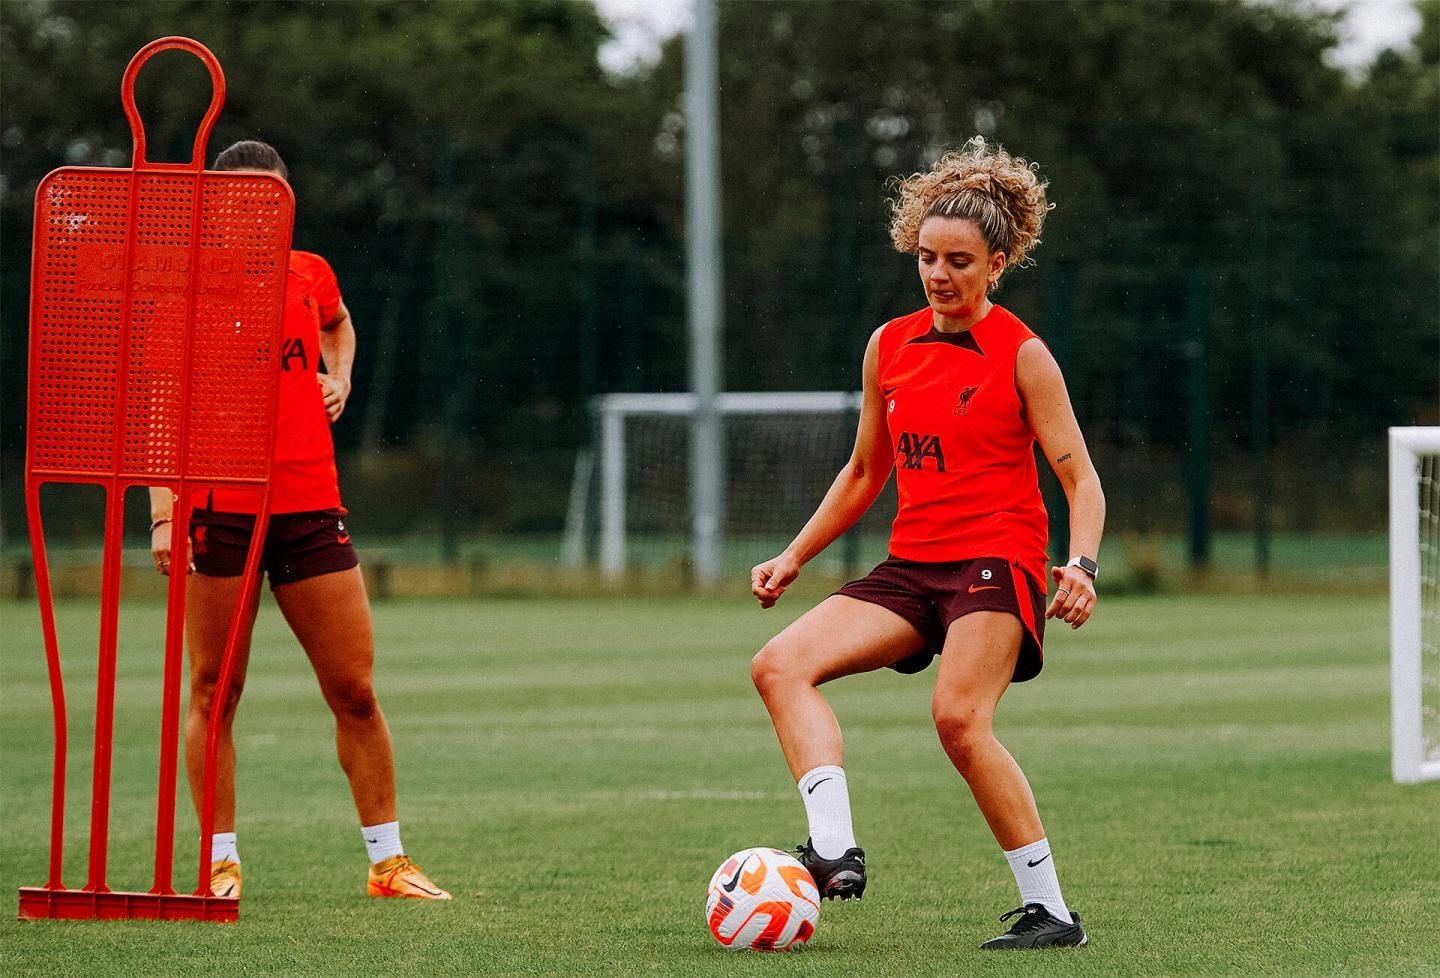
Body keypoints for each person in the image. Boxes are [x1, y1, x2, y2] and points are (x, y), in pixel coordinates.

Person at [748, 137, 1102, 950]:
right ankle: (834, 848)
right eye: (927, 258)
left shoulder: (1024, 354)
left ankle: (1051, 912)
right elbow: (865, 469)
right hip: (912, 566)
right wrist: (794, 555)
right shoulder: (889, 346)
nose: (939, 275)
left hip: (995, 562)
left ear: (998, 263)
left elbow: (1082, 480)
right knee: (778, 665)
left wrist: (1081, 565)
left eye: (960, 261)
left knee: (958, 721)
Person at [150, 140, 449, 902]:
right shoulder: (184, 286)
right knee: (215, 688)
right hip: (218, 510)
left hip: (311, 504)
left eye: (274, 201)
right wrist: (161, 516)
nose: (260, 213)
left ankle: (388, 863)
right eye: (245, 201)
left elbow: (340, 326)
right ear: (218, 208)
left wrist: (340, 377)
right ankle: (219, 863)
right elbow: (158, 404)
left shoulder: (310, 273)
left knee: (354, 689)